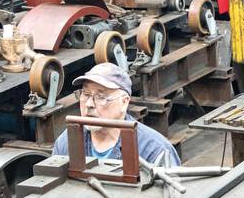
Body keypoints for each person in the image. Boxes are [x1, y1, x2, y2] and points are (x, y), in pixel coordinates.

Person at [50, 62, 179, 168]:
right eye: (86, 94)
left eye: (101, 97)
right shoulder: (66, 143)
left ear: (124, 102)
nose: (89, 104)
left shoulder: (154, 151)